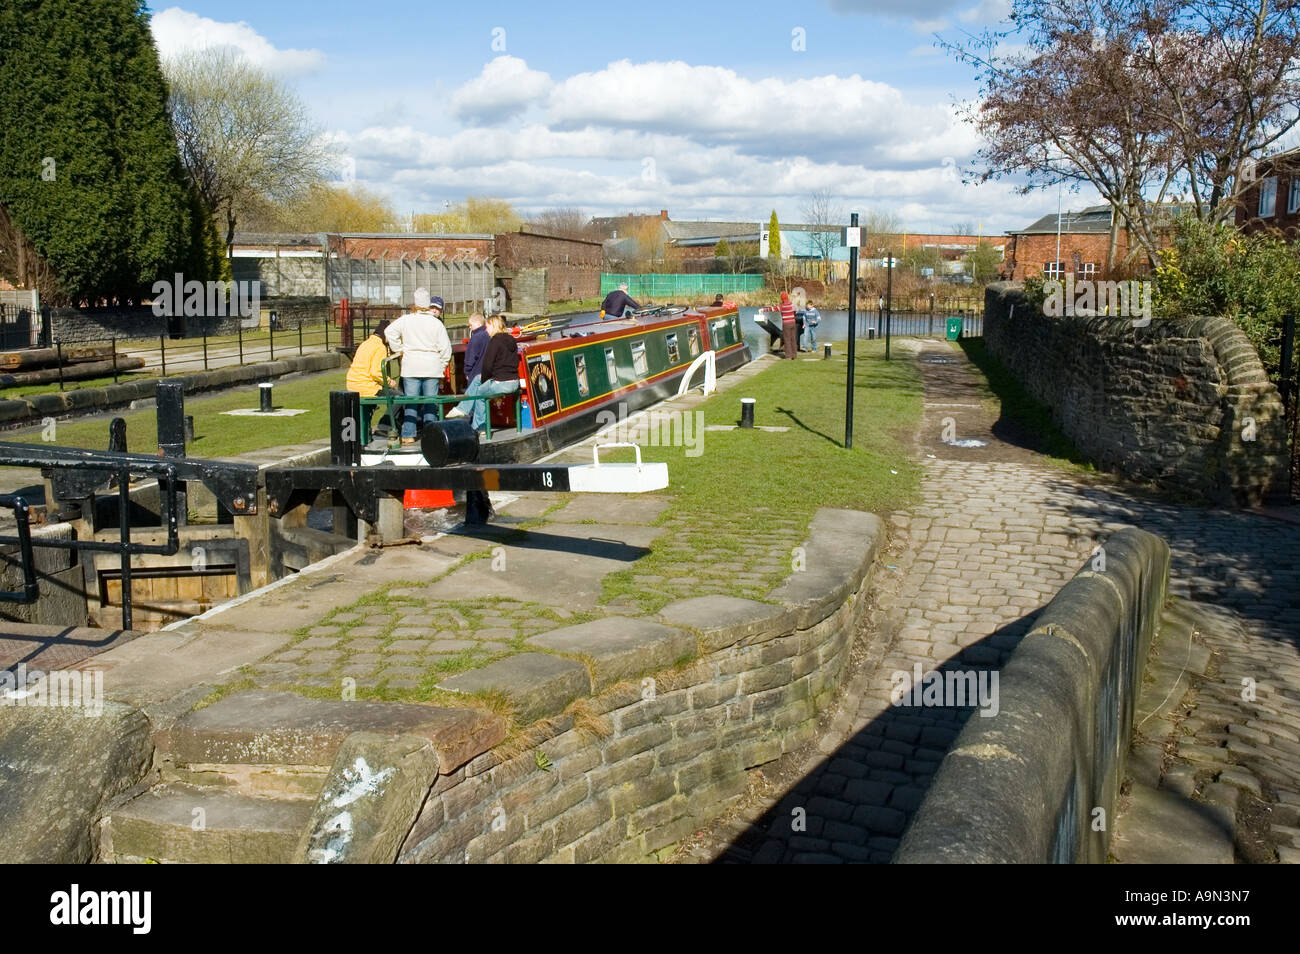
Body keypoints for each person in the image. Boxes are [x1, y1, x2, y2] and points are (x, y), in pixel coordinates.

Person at [384, 288, 452, 445]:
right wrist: (441, 364)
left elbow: (389, 332)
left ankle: (408, 434)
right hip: (432, 367)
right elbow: (445, 349)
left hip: (411, 366)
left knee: (411, 402)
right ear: (428, 304)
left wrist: (399, 349)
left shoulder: (406, 320)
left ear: (415, 303)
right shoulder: (436, 323)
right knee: (430, 402)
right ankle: (431, 435)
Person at [449, 315, 521, 433]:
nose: (486, 330)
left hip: (501, 383)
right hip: (514, 382)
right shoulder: (512, 339)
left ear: (493, 326)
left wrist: (486, 377)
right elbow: (513, 362)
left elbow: (487, 365)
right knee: (478, 378)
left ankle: (479, 426)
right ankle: (462, 409)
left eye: (487, 327)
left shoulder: (495, 341)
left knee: (479, 392)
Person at [345, 319, 398, 436]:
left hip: (352, 383)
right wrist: (389, 382)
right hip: (366, 386)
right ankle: (384, 426)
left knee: (369, 406)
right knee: (399, 397)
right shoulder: (380, 347)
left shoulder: (366, 343)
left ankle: (365, 433)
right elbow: (376, 372)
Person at [463, 313, 489, 390]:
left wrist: (467, 372)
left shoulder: (475, 337)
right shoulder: (489, 335)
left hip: (475, 374)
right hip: (487, 374)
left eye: (471, 325)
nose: (469, 327)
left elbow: (471, 357)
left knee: (473, 398)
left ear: (478, 323)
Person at [778, 292, 797, 359]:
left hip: (786, 324)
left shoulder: (782, 306)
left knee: (787, 340)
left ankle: (788, 356)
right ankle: (794, 355)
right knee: (793, 339)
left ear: (782, 298)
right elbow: (795, 312)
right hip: (793, 323)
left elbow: (773, 309)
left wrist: (763, 309)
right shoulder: (792, 305)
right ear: (787, 298)